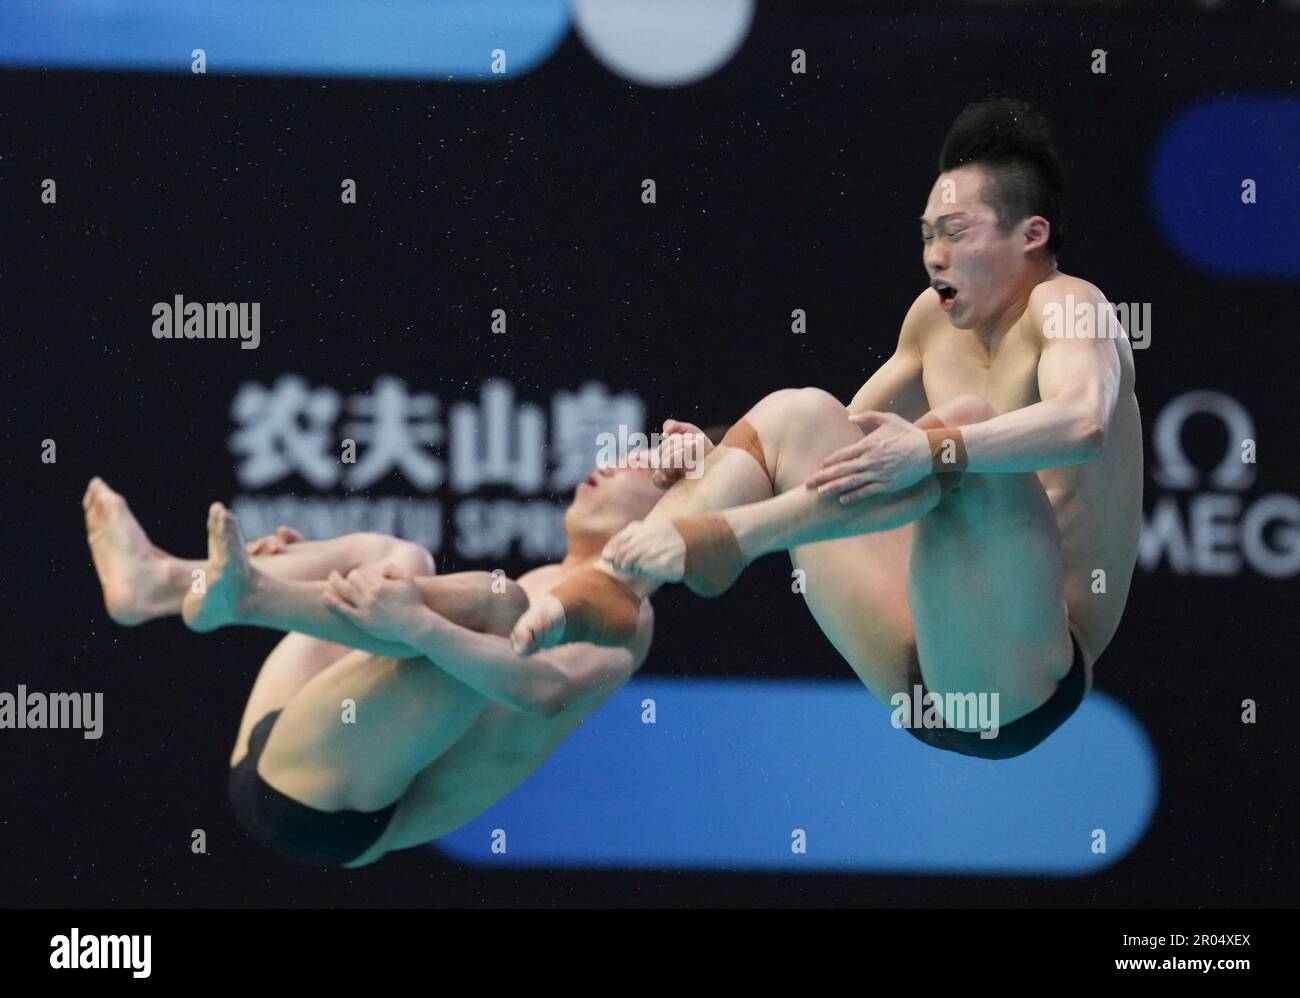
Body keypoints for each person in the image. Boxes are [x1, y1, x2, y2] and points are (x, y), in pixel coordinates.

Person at [510, 99, 1144, 760]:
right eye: (928, 235)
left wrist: (928, 446)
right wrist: (724, 459)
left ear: (1030, 235)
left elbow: (1082, 422)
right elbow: (832, 454)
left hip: (1024, 679)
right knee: (797, 411)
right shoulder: (928, 322)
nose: (934, 256)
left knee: (955, 429)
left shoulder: (1072, 305)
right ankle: (615, 588)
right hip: (916, 664)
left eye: (956, 232)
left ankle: (731, 538)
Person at [83, 452, 661, 867]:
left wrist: (419, 625)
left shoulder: (625, 620)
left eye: (647, 466)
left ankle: (246, 594)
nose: (617, 461)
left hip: (336, 811)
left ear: (669, 518)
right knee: (396, 556)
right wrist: (309, 560)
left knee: (495, 602)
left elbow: (543, 691)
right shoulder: (549, 580)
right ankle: (163, 584)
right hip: (292, 734)